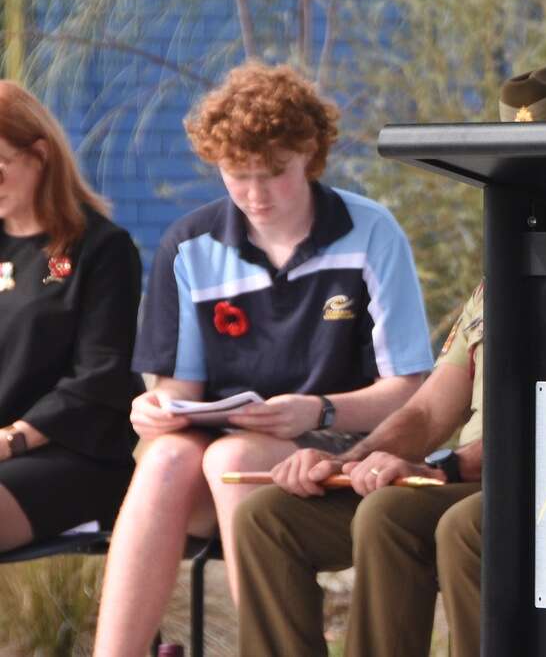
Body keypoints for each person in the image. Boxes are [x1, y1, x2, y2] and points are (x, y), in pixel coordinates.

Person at [230, 45, 546, 656]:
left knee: (403, 517)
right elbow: (429, 412)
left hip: (545, 485)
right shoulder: (504, 273)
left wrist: (443, 468)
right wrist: (355, 463)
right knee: (266, 517)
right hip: (458, 478)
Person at [93, 62, 434, 657]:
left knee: (230, 454)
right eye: (236, 175)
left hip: (347, 462)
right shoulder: (189, 246)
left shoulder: (371, 233)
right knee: (168, 455)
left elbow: (412, 390)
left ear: (309, 153)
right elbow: (181, 391)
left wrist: (319, 411)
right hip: (227, 464)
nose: (255, 195)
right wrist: (155, 410)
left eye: (273, 174)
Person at [0, 82, 142, 553]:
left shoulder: (102, 250)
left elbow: (98, 379)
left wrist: (11, 441)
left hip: (72, 454)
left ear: (39, 155)